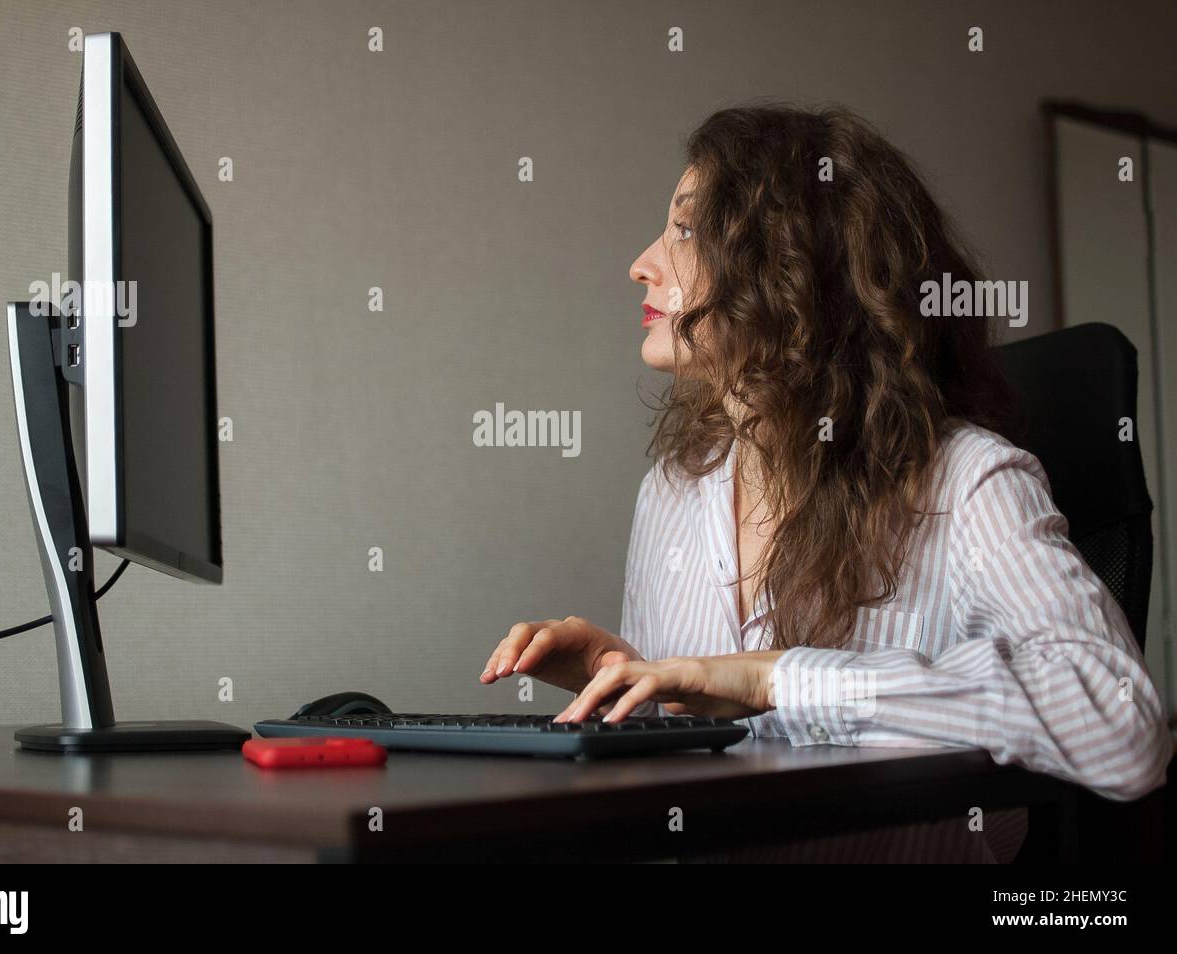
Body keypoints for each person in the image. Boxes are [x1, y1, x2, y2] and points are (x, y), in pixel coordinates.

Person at [479, 105, 1171, 862]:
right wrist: (639, 689)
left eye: (684, 229)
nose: (642, 263)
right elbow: (704, 782)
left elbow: (1123, 730)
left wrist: (777, 678)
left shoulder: (970, 481)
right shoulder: (673, 491)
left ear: (796, 267)